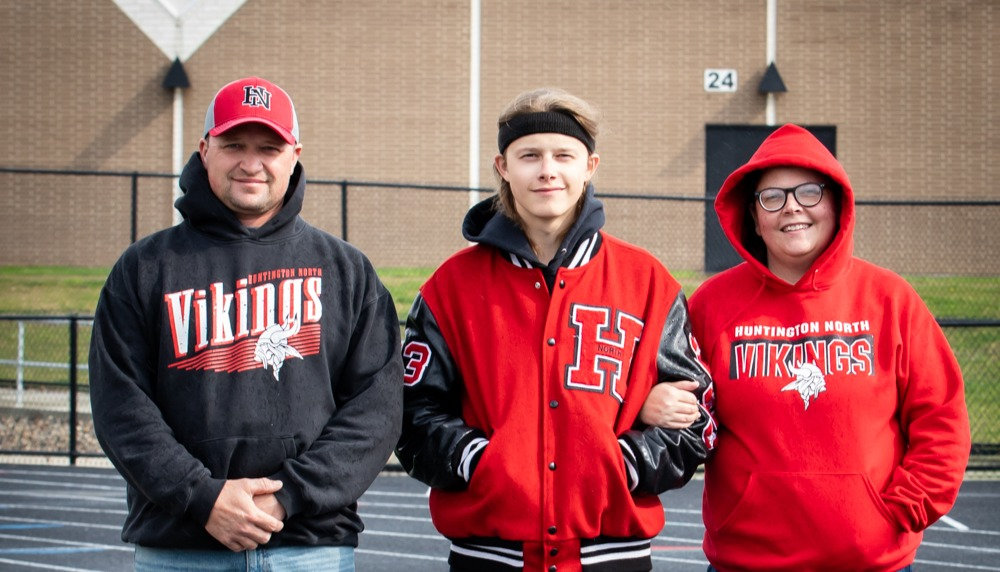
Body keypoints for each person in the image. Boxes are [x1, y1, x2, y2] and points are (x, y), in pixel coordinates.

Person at [395, 87, 717, 572]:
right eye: (529, 156)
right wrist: (481, 463)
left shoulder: (647, 281)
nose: (547, 170)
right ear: (503, 167)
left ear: (589, 166)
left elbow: (699, 415)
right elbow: (412, 414)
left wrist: (621, 465)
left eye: (563, 155)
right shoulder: (451, 288)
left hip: (614, 555)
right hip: (489, 555)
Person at [88, 77, 403, 571]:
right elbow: (120, 405)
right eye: (234, 144)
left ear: (294, 153)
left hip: (310, 548)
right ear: (205, 149)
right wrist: (202, 497)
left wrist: (288, 498)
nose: (251, 163)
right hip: (181, 547)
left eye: (269, 147)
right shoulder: (146, 268)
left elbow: (376, 409)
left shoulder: (345, 270)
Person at [646, 124, 970, 571]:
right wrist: (651, 402)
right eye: (772, 198)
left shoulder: (889, 298)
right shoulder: (711, 304)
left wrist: (905, 507)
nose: (792, 207)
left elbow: (942, 415)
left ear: (837, 204)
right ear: (754, 218)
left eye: (809, 192)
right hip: (746, 561)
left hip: (872, 561)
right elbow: (676, 405)